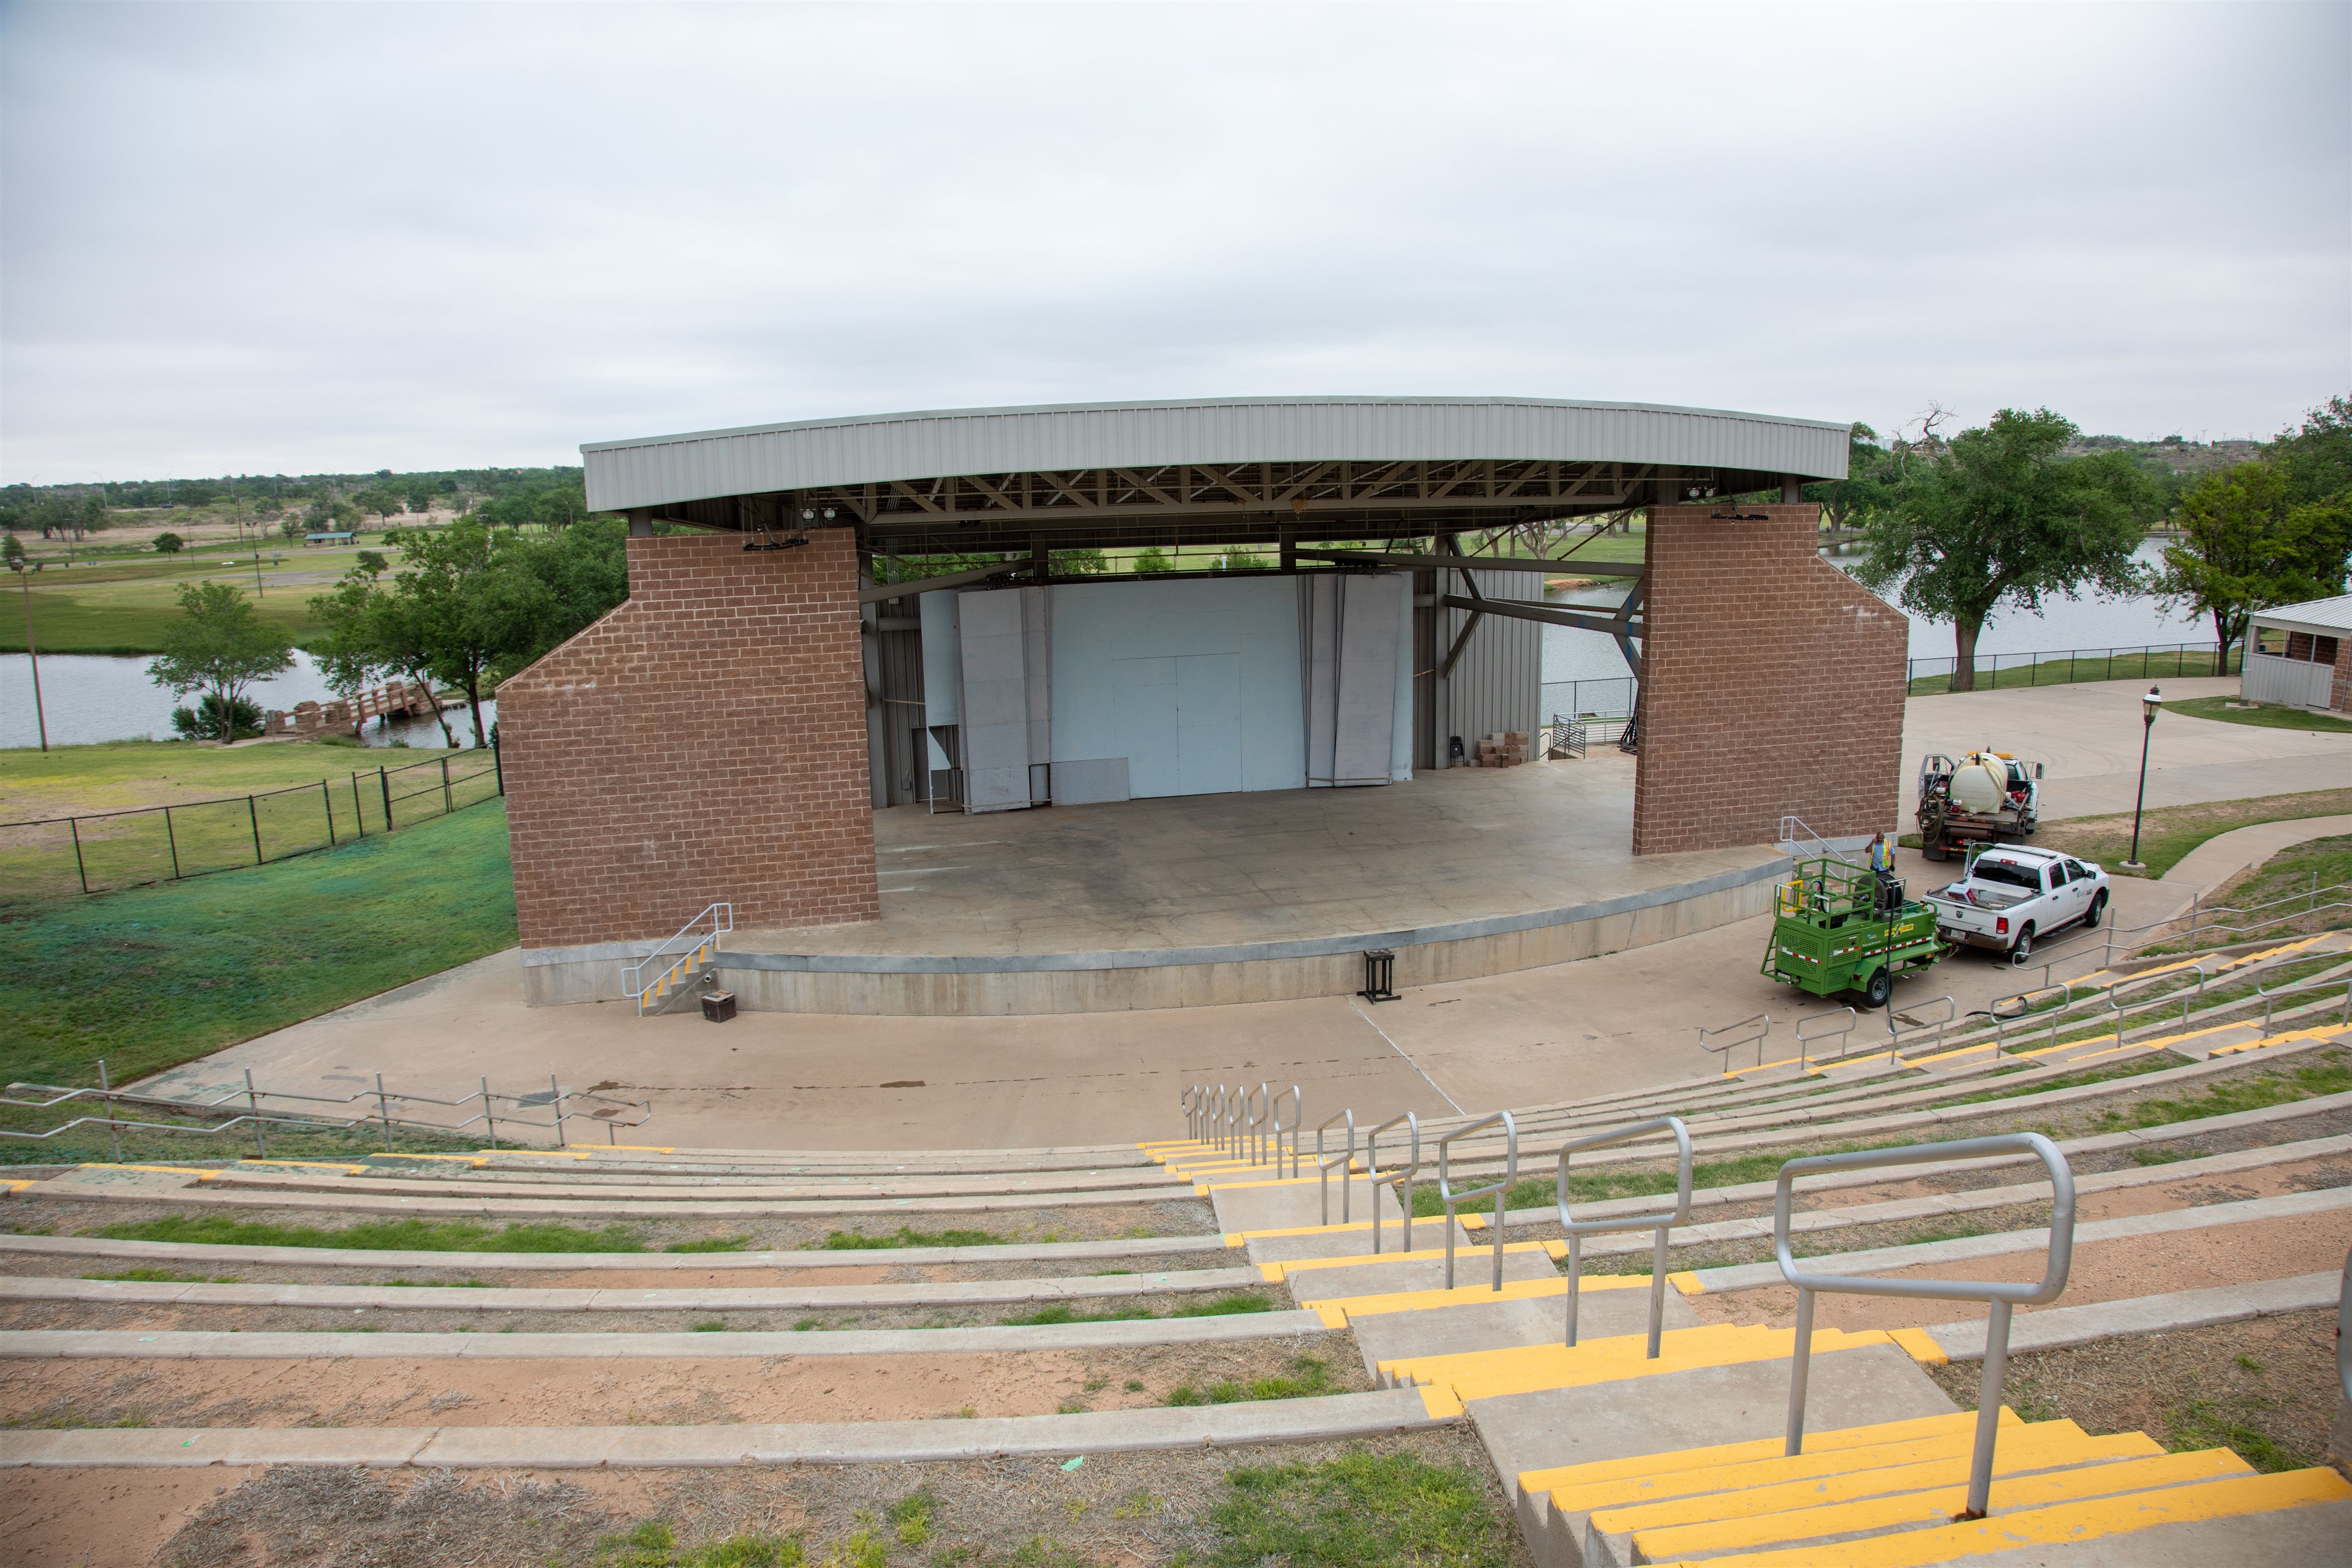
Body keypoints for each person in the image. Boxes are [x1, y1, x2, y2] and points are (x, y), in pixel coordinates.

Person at [1866, 831, 1898, 914]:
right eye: (1878, 838)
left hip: (1884, 868)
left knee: (1885, 884)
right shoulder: (1874, 843)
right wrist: (1872, 842)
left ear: (1884, 838)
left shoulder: (1888, 844)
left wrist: (1892, 864)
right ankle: (1874, 896)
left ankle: (1885, 897)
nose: (1879, 840)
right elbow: (1867, 851)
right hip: (1874, 867)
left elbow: (1893, 855)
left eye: (1881, 838)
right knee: (1873, 883)